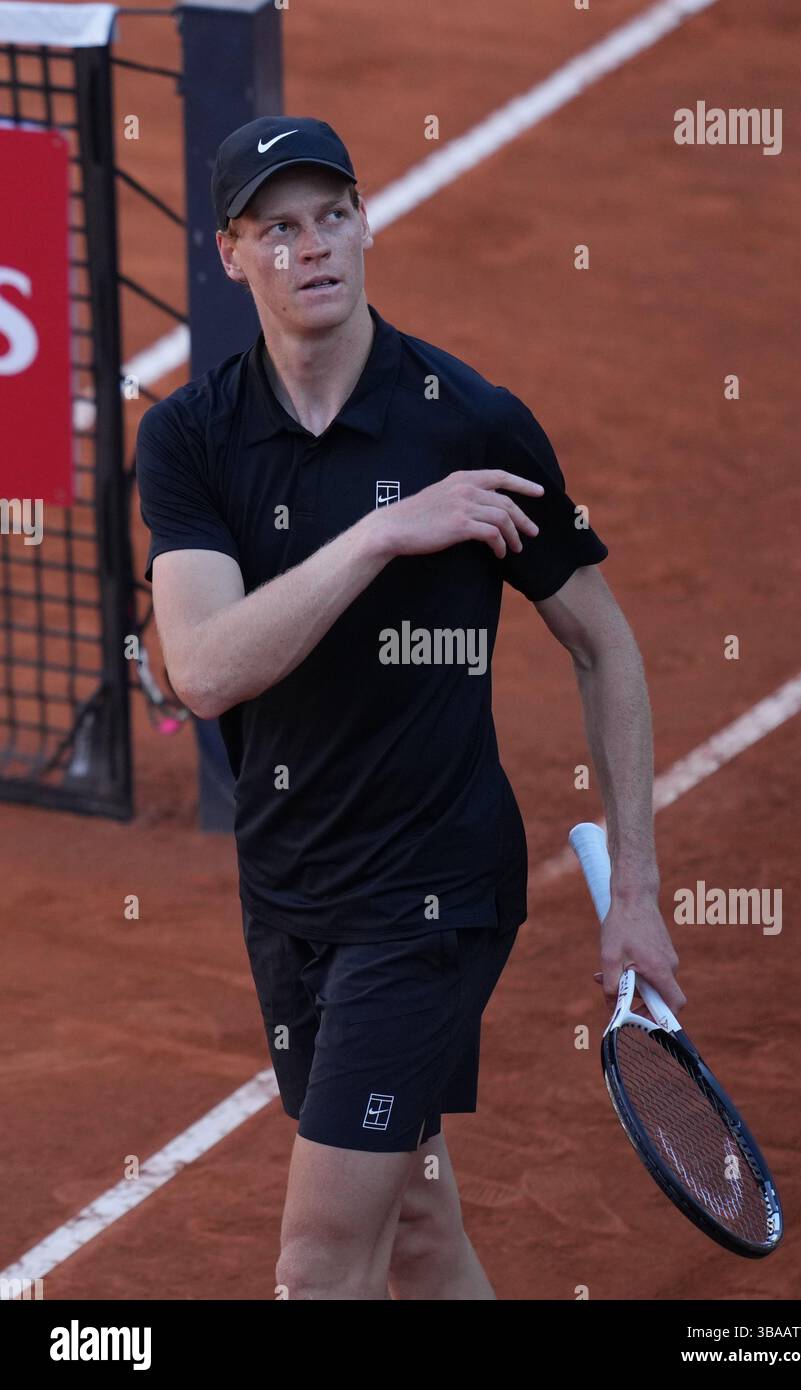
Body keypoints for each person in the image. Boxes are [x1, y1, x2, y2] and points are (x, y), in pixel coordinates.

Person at [135, 115, 684, 1300]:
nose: (312, 248)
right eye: (275, 229)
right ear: (230, 256)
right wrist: (384, 532)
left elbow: (604, 644)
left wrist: (634, 893)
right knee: (422, 1238)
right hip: (289, 890)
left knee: (319, 1262)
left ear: (365, 222)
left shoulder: (468, 418)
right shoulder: (188, 439)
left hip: (429, 897)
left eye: (331, 215)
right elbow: (207, 670)